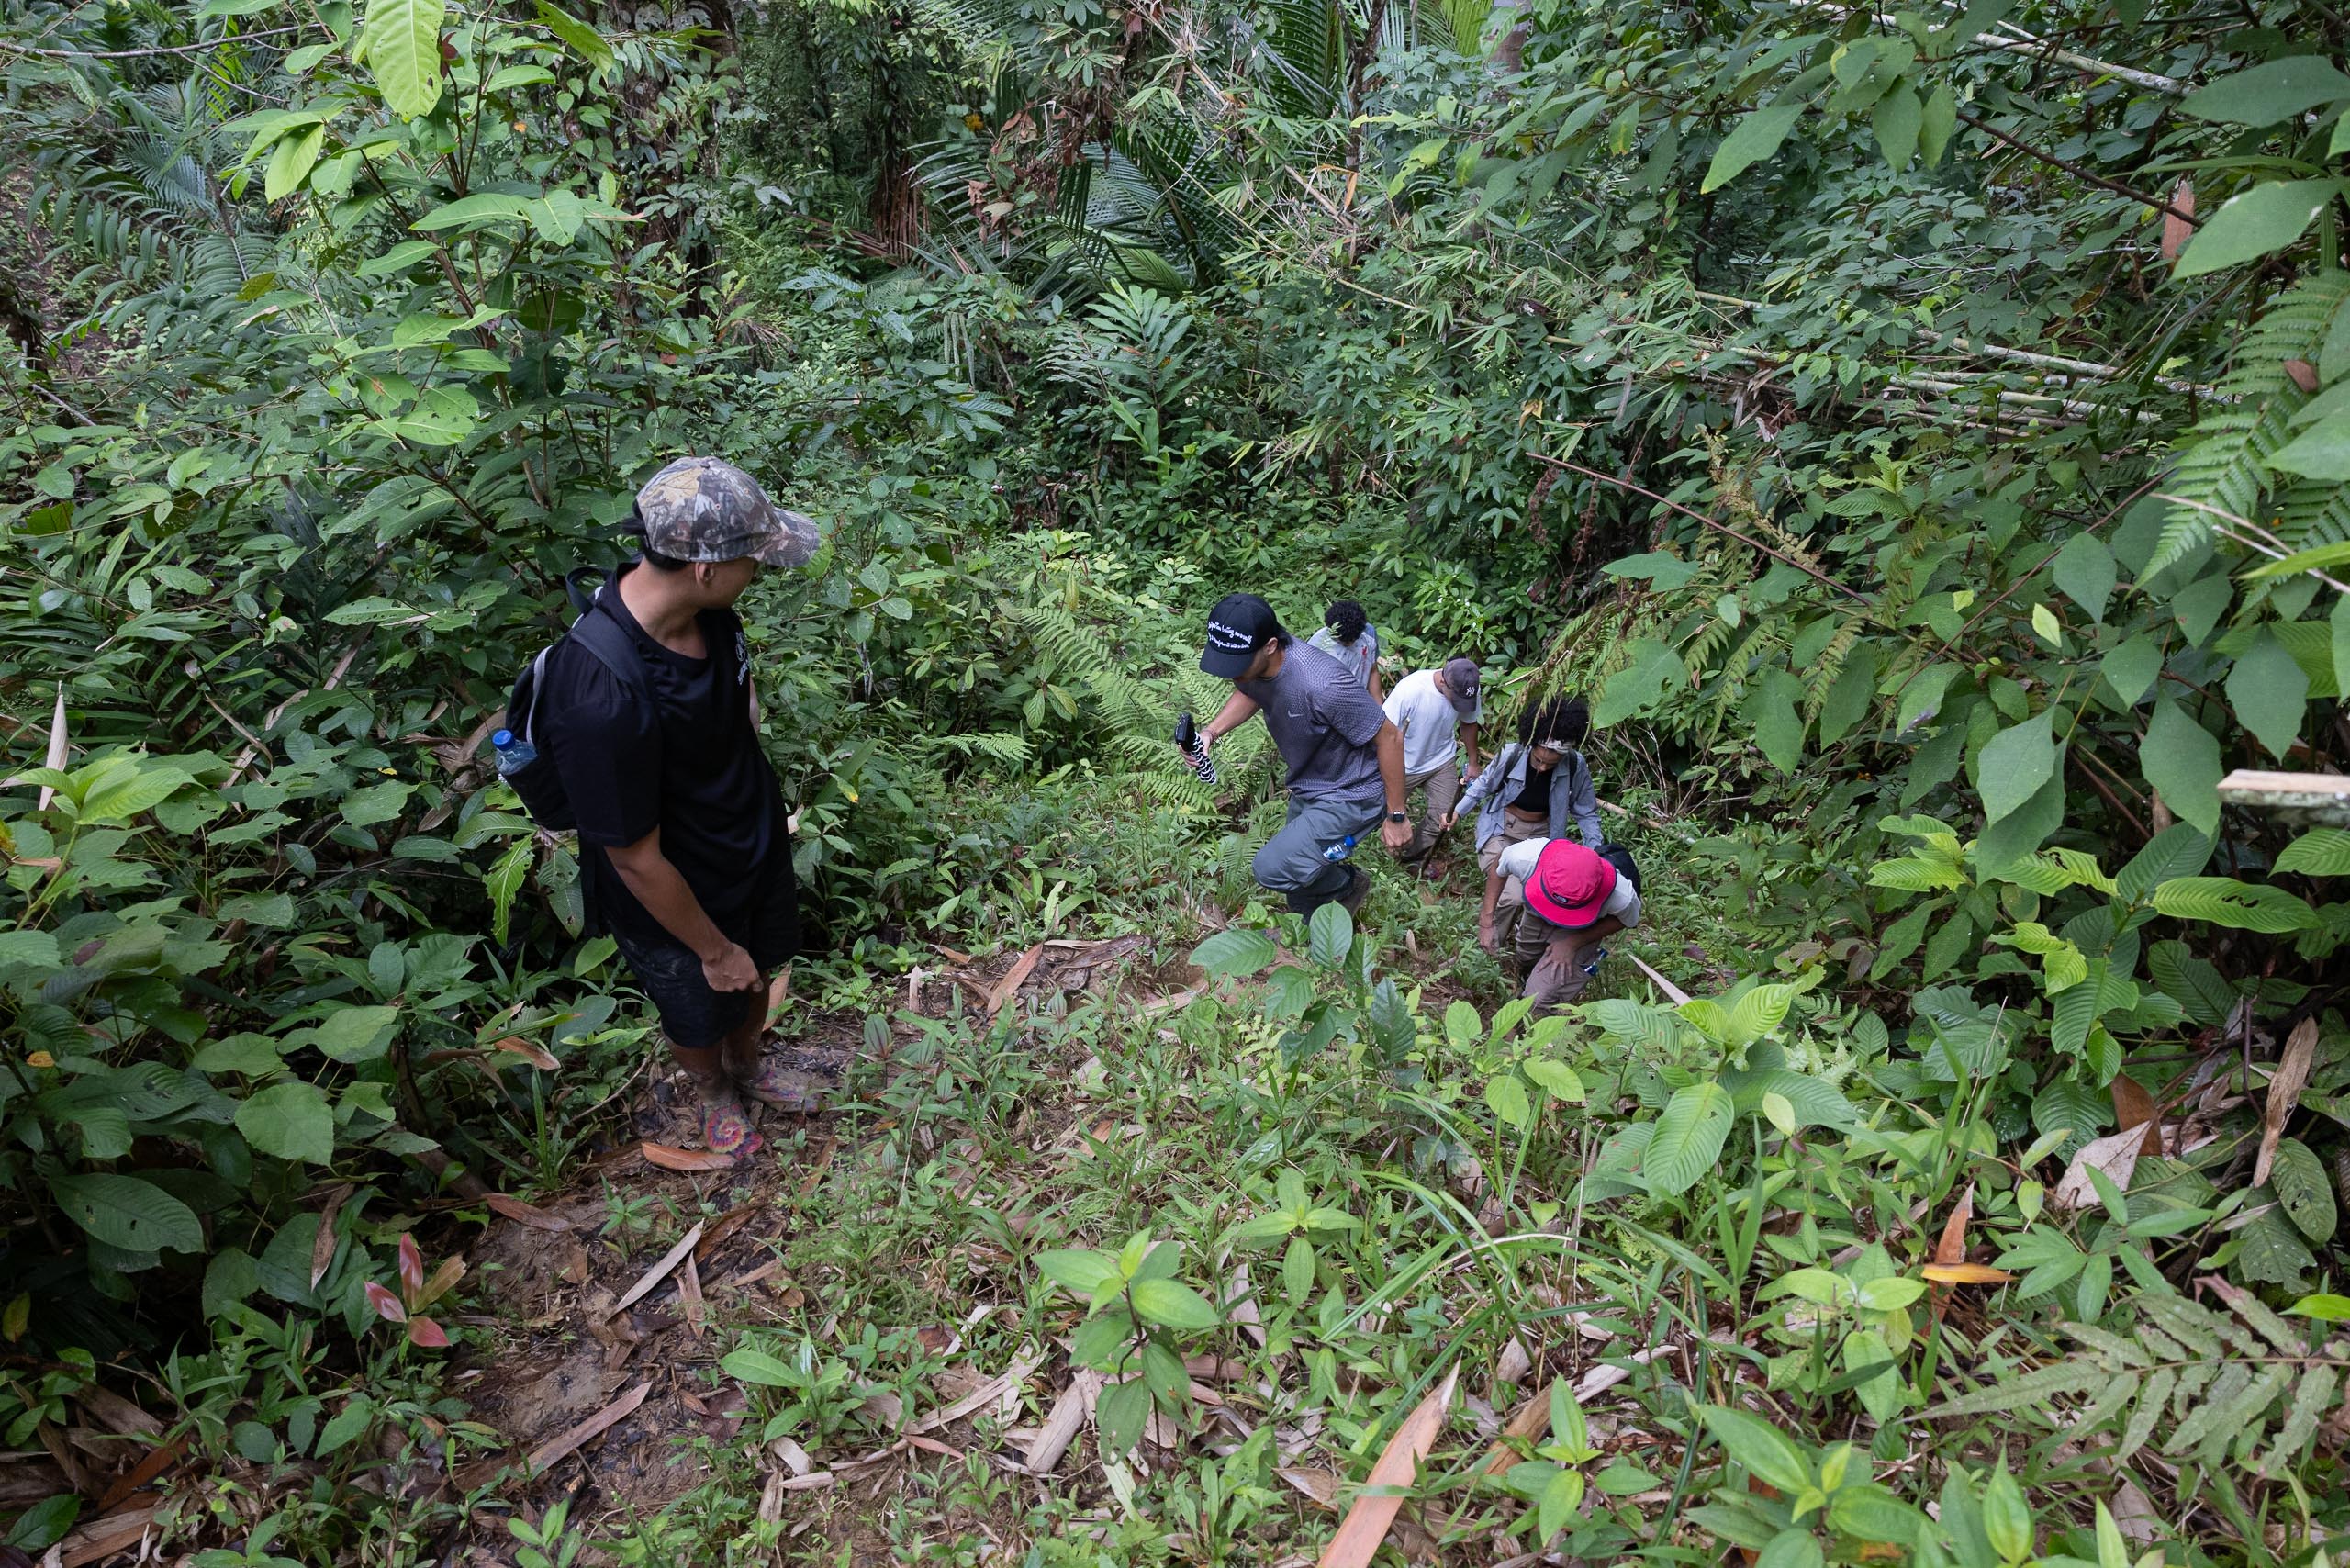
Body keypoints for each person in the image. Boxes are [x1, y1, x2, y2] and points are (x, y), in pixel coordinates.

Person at [541, 456, 821, 1164]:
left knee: (759, 970)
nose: (759, 569)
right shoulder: (599, 691)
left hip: (747, 842)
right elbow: (633, 855)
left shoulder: (710, 614)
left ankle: (751, 1066)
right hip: (673, 889)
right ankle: (712, 1091)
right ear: (703, 567)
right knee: (697, 1004)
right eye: (753, 558)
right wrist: (712, 948)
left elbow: (736, 705)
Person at [1195, 592, 1414, 917]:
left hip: (1352, 793)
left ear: (1270, 646)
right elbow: (1249, 690)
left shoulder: (1324, 683)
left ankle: (1347, 884)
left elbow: (1391, 738)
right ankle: (1314, 943)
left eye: (1237, 664)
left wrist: (1396, 816)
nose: (1232, 673)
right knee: (1298, 881)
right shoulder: (1257, 668)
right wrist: (1210, 733)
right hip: (1311, 784)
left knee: (1272, 868)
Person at [1447, 697, 1603, 953]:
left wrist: (1594, 850)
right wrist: (1458, 813)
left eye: (1551, 763)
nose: (1543, 767)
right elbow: (1483, 786)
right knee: (1512, 895)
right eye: (1539, 760)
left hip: (1542, 836)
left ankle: (1513, 944)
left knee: (1534, 894)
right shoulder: (1512, 754)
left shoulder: (1575, 764)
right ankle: (1486, 948)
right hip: (1501, 828)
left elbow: (1586, 812)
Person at [1493, 837, 1640, 1008]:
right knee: (1526, 955)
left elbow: (1626, 920)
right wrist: (1486, 921)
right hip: (1539, 910)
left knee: (1539, 998)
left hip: (1582, 929)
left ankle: (1534, 1018)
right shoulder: (1525, 857)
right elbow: (1498, 865)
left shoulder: (1621, 895)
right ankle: (1525, 979)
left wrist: (1573, 943)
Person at [1381, 656, 1485, 863]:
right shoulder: (1410, 690)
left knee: (1445, 817)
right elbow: (1384, 734)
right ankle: (1385, 864)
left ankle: (1411, 858)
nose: (1459, 704)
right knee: (1380, 814)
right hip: (1403, 764)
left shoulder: (1469, 689)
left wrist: (1473, 762)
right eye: (1455, 698)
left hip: (1440, 761)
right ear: (1443, 682)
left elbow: (1469, 722)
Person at [1306, 600, 1382, 700]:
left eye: (1353, 639)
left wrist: (1380, 709)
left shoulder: (1368, 633)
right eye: (1344, 641)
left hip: (1361, 701)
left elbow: (1373, 671)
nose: (1349, 644)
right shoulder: (1317, 646)